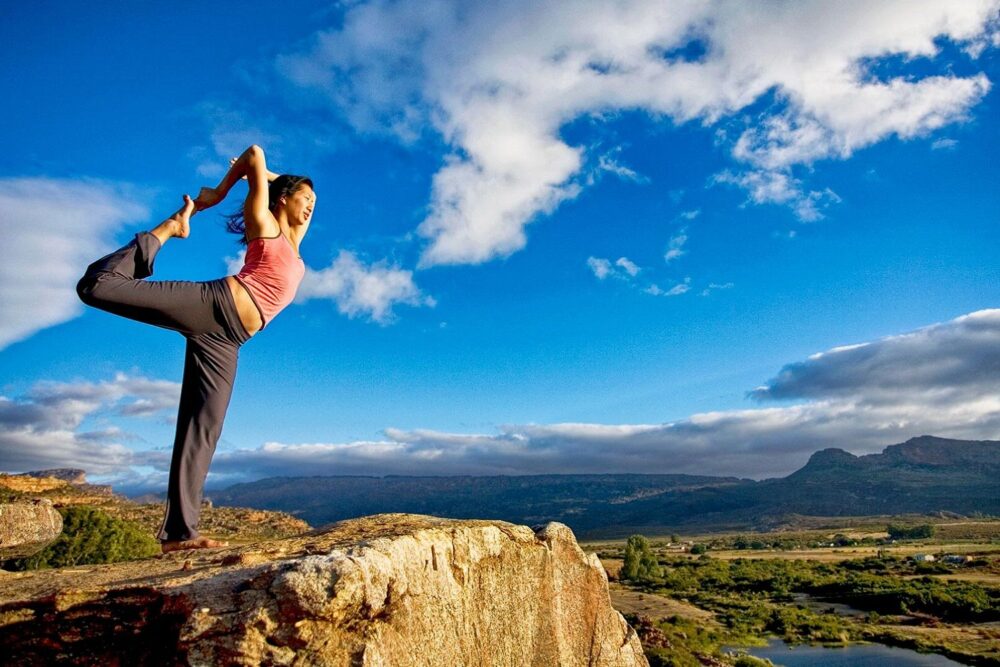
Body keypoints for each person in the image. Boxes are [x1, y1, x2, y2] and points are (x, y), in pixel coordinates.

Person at [76, 145, 315, 552]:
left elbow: (271, 180)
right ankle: (167, 230)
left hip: (229, 341)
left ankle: (177, 534)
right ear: (282, 199)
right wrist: (223, 193)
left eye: (314, 202)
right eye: (304, 198)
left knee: (202, 429)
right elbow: (254, 153)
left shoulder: (295, 242)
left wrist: (280, 181)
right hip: (215, 304)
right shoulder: (265, 224)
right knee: (96, 288)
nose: (310, 206)